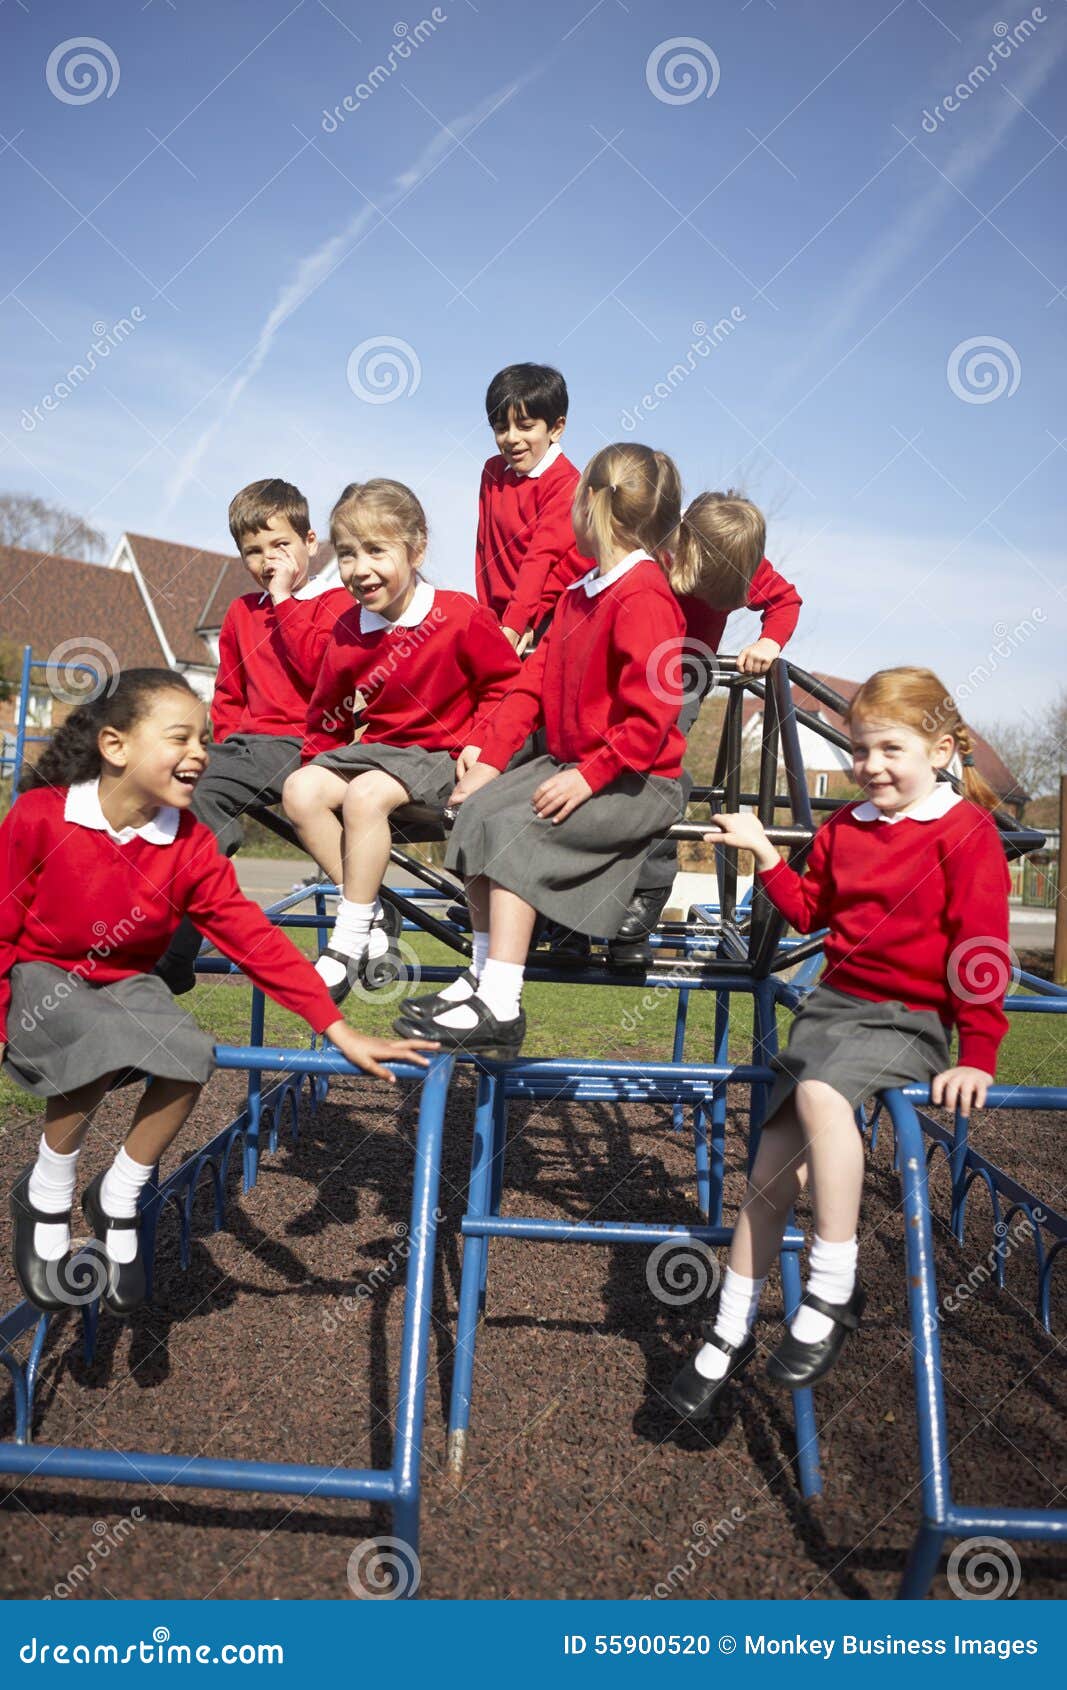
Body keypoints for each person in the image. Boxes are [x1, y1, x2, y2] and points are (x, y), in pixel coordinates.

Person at [1, 670, 435, 1318]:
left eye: (204, 739)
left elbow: (250, 937)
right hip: (45, 975)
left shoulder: (188, 841)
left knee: (189, 1056)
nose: (200, 753)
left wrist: (337, 1028)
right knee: (97, 1040)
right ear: (115, 746)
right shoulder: (41, 817)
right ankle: (46, 1188)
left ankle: (117, 1196)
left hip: (126, 981)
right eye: (180, 738)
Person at [667, 667, 1011, 1418]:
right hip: (830, 1014)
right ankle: (729, 1331)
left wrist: (977, 1054)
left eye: (891, 749)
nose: (870, 766)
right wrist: (765, 854)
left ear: (941, 752)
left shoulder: (964, 833)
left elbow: (980, 949)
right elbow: (808, 911)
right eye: (859, 749)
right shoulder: (847, 827)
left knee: (822, 1096)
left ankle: (832, 1285)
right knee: (766, 1180)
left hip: (905, 1017)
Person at [394, 441, 733, 1057]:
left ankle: (502, 1003)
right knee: (476, 813)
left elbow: (653, 716)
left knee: (515, 833)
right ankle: (481, 977)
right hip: (576, 765)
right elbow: (529, 685)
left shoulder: (646, 596)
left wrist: (589, 776)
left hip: (634, 777)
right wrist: (490, 761)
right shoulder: (580, 593)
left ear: (591, 505)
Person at [282, 479, 520, 1003]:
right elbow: (326, 716)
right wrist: (317, 768)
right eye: (348, 554)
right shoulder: (348, 629)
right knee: (299, 789)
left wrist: (481, 744)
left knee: (365, 793)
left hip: (443, 753)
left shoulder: (458, 614)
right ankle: (369, 909)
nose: (359, 568)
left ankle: (347, 939)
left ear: (416, 550)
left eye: (376, 551)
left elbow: (507, 688)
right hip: (381, 752)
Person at [154, 477, 349, 995]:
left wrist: (284, 600)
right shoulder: (242, 612)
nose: (268, 560)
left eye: (280, 545)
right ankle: (167, 940)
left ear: (311, 543)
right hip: (248, 749)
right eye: (253, 551)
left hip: (307, 745)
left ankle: (175, 951)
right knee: (171, 783)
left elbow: (321, 674)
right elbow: (229, 694)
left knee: (199, 794)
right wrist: (221, 752)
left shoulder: (336, 605)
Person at [613, 497, 802, 954]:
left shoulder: (739, 562)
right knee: (589, 763)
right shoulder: (653, 544)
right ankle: (560, 899)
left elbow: (785, 600)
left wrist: (769, 642)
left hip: (682, 675)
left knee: (655, 769)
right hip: (624, 666)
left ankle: (648, 889)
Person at [475, 363, 584, 653]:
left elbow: (541, 557)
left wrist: (518, 622)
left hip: (547, 620)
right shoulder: (492, 472)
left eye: (525, 426)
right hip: (501, 622)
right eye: (501, 428)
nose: (511, 438)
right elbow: (484, 550)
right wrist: (488, 617)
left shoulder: (566, 483)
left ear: (556, 428)